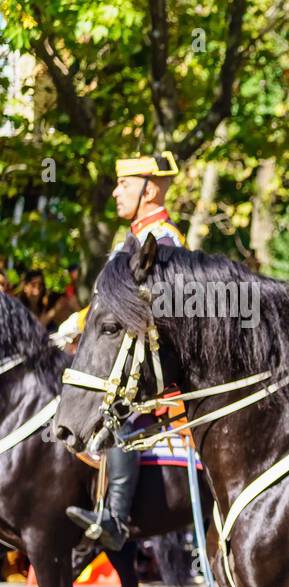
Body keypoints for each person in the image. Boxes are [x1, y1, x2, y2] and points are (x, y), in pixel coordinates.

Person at [63, 152, 186, 552]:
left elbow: (148, 308)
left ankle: (115, 517)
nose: (116, 192)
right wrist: (81, 321)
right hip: (121, 347)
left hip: (151, 362)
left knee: (120, 413)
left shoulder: (164, 240)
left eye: (125, 185)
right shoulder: (129, 239)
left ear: (149, 190)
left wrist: (83, 322)